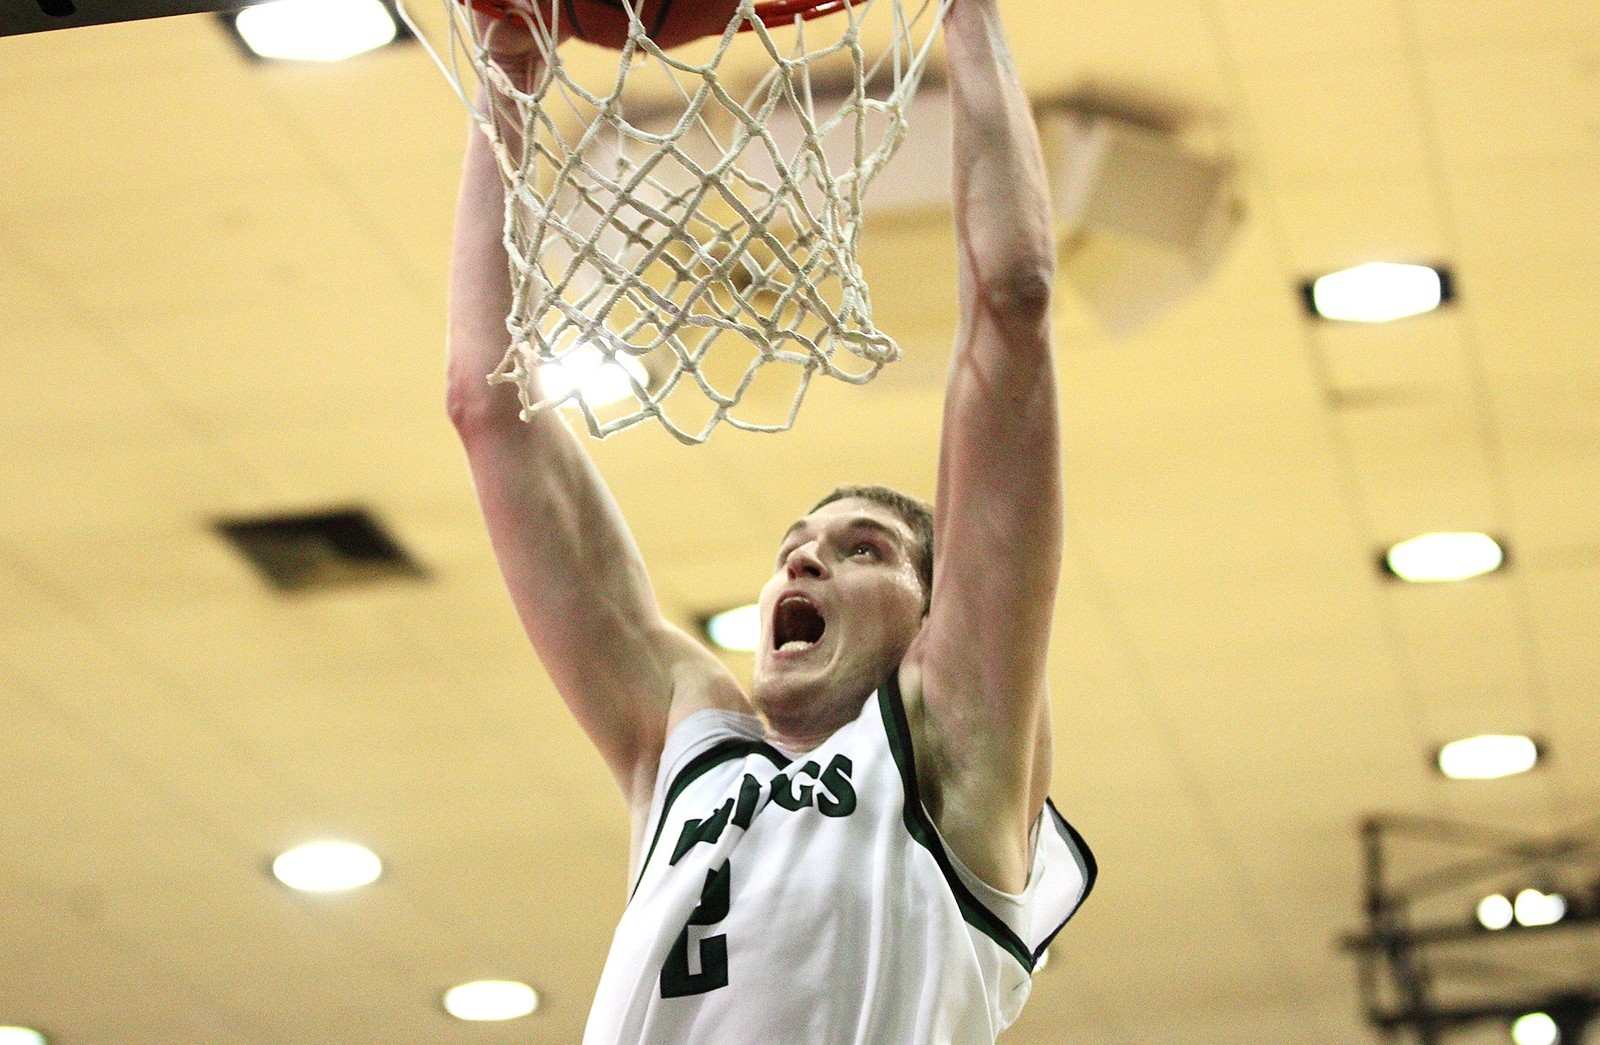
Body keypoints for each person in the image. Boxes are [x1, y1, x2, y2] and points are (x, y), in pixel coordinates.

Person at [445, 0, 1095, 1039]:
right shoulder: (689, 740)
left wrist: (968, 18)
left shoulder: (952, 752)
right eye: (797, 546)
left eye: (862, 549)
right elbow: (489, 404)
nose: (809, 559)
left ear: (937, 619)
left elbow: (1012, 299)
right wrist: (507, 89)